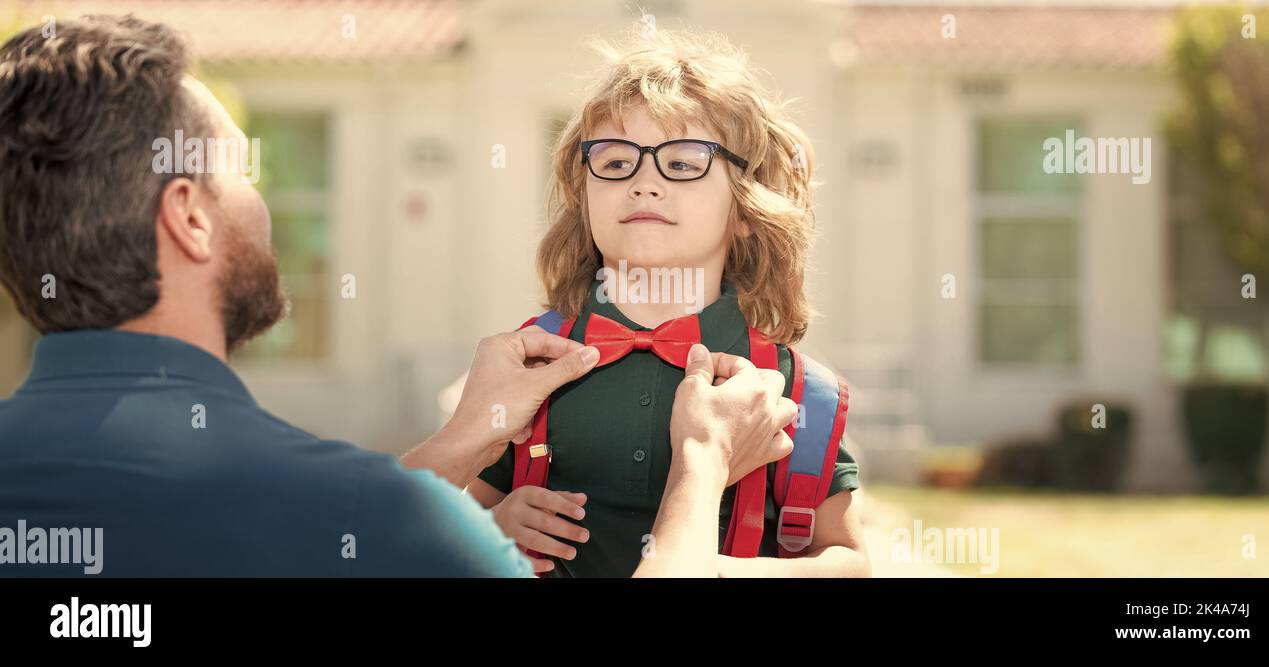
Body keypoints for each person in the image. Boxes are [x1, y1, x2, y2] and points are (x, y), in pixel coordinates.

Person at [0, 15, 794, 578]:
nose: (264, 202)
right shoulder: (379, 522)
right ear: (189, 218)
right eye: (244, 171)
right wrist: (701, 465)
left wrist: (462, 441)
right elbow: (357, 522)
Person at [468, 29, 872, 577]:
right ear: (584, 199)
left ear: (745, 209)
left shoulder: (792, 388)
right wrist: (492, 529)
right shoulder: (530, 366)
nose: (643, 183)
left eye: (683, 164)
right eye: (615, 163)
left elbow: (851, 561)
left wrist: (724, 572)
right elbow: (453, 526)